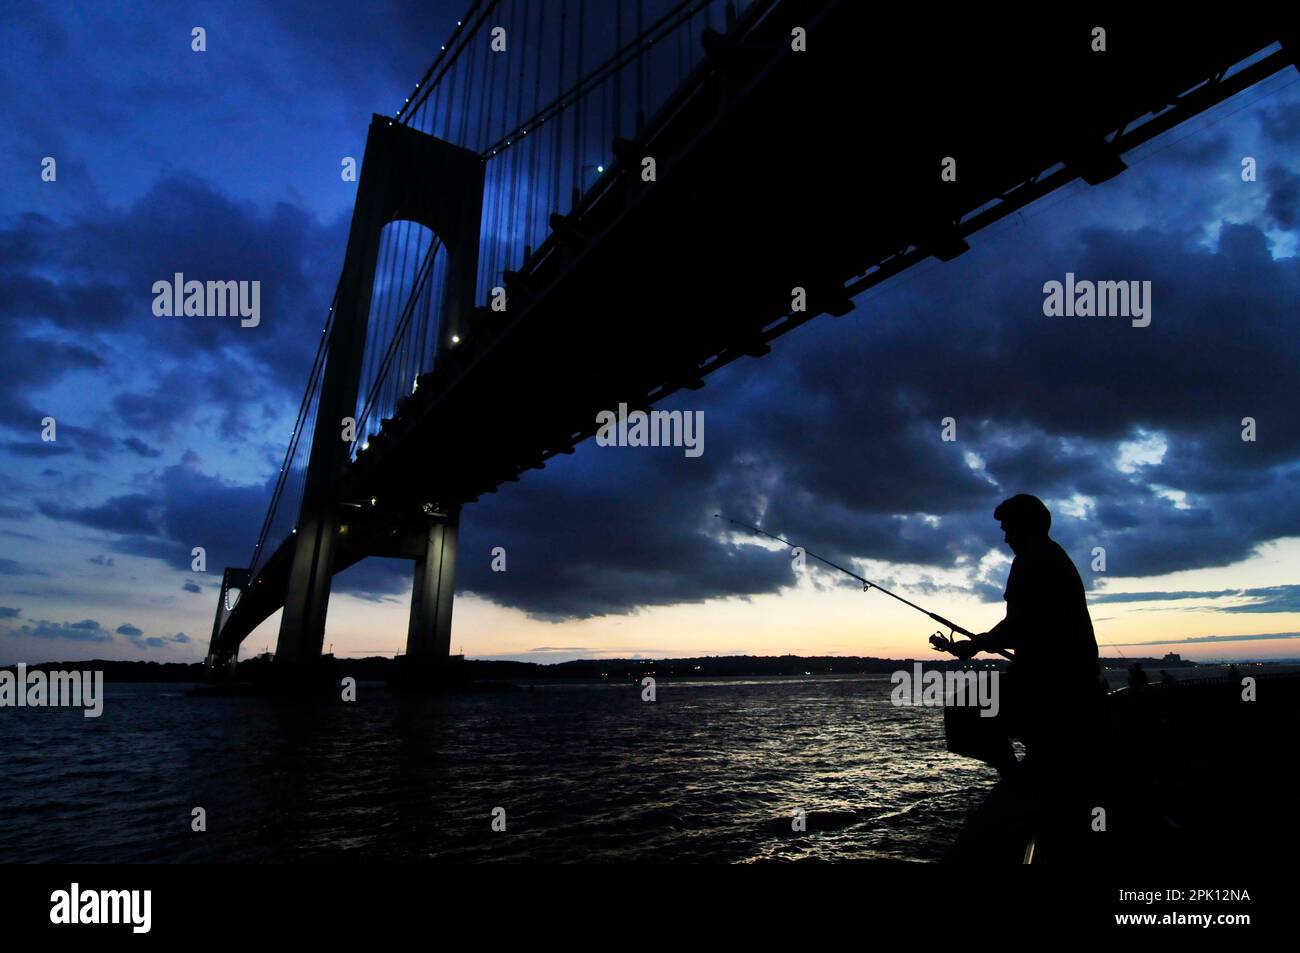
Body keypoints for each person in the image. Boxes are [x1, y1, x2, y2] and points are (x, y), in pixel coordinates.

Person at [943, 494, 1104, 855]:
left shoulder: (1032, 559)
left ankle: (1016, 780)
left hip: (1052, 681)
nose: (1004, 537)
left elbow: (1020, 624)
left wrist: (975, 645)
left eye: (1007, 528)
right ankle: (1031, 769)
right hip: (1069, 676)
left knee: (963, 707)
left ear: (1024, 525)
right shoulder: (1052, 556)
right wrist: (981, 643)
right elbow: (1030, 625)